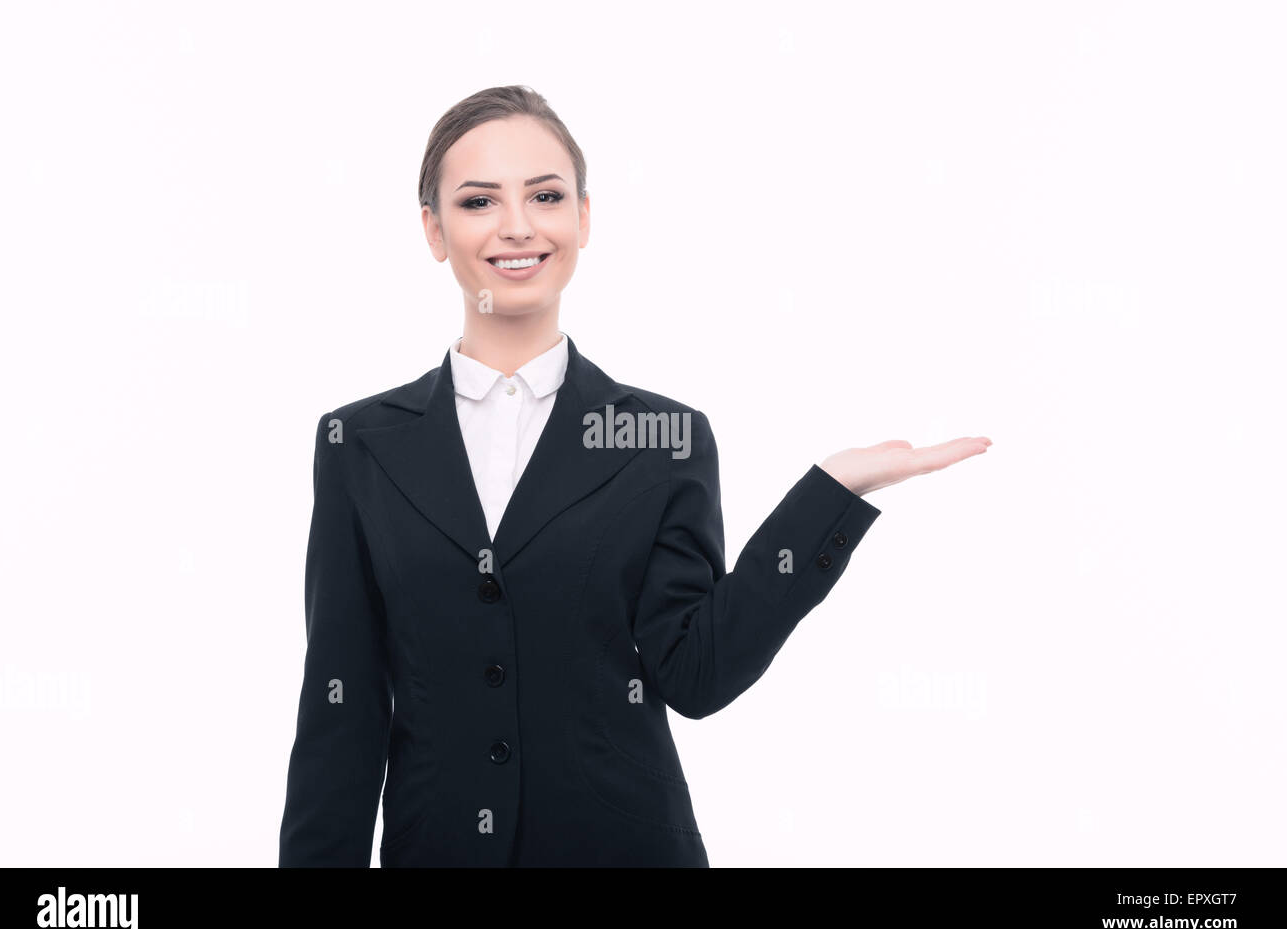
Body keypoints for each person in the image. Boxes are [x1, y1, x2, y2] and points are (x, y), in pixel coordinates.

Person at [278, 85, 992, 867]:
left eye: (545, 195)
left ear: (583, 218)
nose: (517, 225)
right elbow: (338, 717)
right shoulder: (359, 444)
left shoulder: (665, 440)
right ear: (433, 230)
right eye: (480, 200)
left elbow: (696, 674)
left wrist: (830, 493)